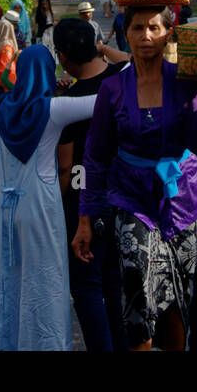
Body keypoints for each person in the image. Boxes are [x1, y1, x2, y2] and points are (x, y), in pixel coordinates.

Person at [74, 6, 197, 351]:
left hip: (182, 197)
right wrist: (85, 219)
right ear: (126, 34)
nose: (145, 36)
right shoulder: (113, 88)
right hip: (131, 196)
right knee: (135, 279)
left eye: (153, 28)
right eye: (137, 28)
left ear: (168, 33)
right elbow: (96, 155)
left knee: (180, 289)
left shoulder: (188, 82)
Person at [0, 45, 99, 350]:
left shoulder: (3, 107)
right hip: (39, 202)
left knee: (2, 280)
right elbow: (103, 101)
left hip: (1, 202)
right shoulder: (53, 110)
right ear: (46, 71)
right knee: (44, 282)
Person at [53, 19, 127, 351]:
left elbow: (65, 166)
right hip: (125, 193)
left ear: (63, 57)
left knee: (85, 285)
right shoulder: (124, 78)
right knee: (115, 282)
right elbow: (127, 58)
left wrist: (56, 204)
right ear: (95, 44)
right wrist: (104, 49)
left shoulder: (67, 102)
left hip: (84, 201)